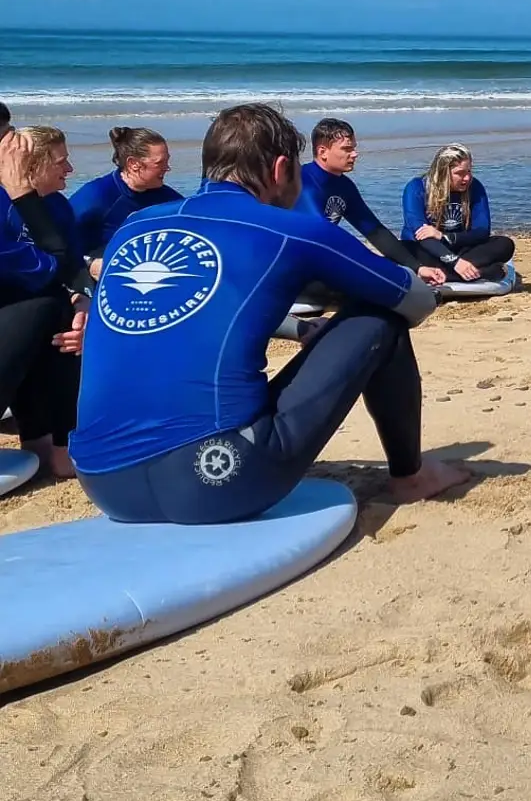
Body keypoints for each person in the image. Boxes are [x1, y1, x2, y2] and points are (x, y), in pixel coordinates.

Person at [69, 103, 469, 523]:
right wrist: (345, 295)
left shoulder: (132, 229)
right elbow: (417, 300)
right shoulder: (292, 228)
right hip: (221, 478)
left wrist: (298, 327)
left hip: (103, 483)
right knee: (380, 314)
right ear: (281, 169)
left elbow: (198, 308)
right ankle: (412, 477)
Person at [0, 127, 88, 476]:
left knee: (66, 319)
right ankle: (57, 448)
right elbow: (48, 267)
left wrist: (83, 301)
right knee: (50, 308)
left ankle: (47, 443)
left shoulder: (58, 207)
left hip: (25, 309)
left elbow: (72, 269)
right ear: (29, 167)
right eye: (60, 161)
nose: (70, 170)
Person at [300, 118, 446, 287]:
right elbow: (318, 233)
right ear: (323, 151)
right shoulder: (304, 181)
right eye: (347, 149)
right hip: (297, 263)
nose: (355, 154)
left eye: (354, 148)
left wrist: (417, 268)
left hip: (321, 259)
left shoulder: (344, 186)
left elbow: (375, 232)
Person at [71, 126, 185, 271]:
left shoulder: (169, 199)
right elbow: (58, 245)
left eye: (167, 161)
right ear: (133, 164)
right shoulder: (96, 195)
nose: (167, 168)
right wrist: (89, 264)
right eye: (159, 163)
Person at [401, 145, 515, 283]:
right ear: (443, 172)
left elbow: (482, 231)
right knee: (402, 250)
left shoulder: (475, 187)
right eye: (460, 173)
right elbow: (421, 235)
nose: (466, 178)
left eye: (469, 171)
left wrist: (445, 237)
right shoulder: (417, 188)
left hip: (459, 249)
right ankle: (482, 272)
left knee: (504, 244)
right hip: (426, 251)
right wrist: (455, 262)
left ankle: (445, 275)